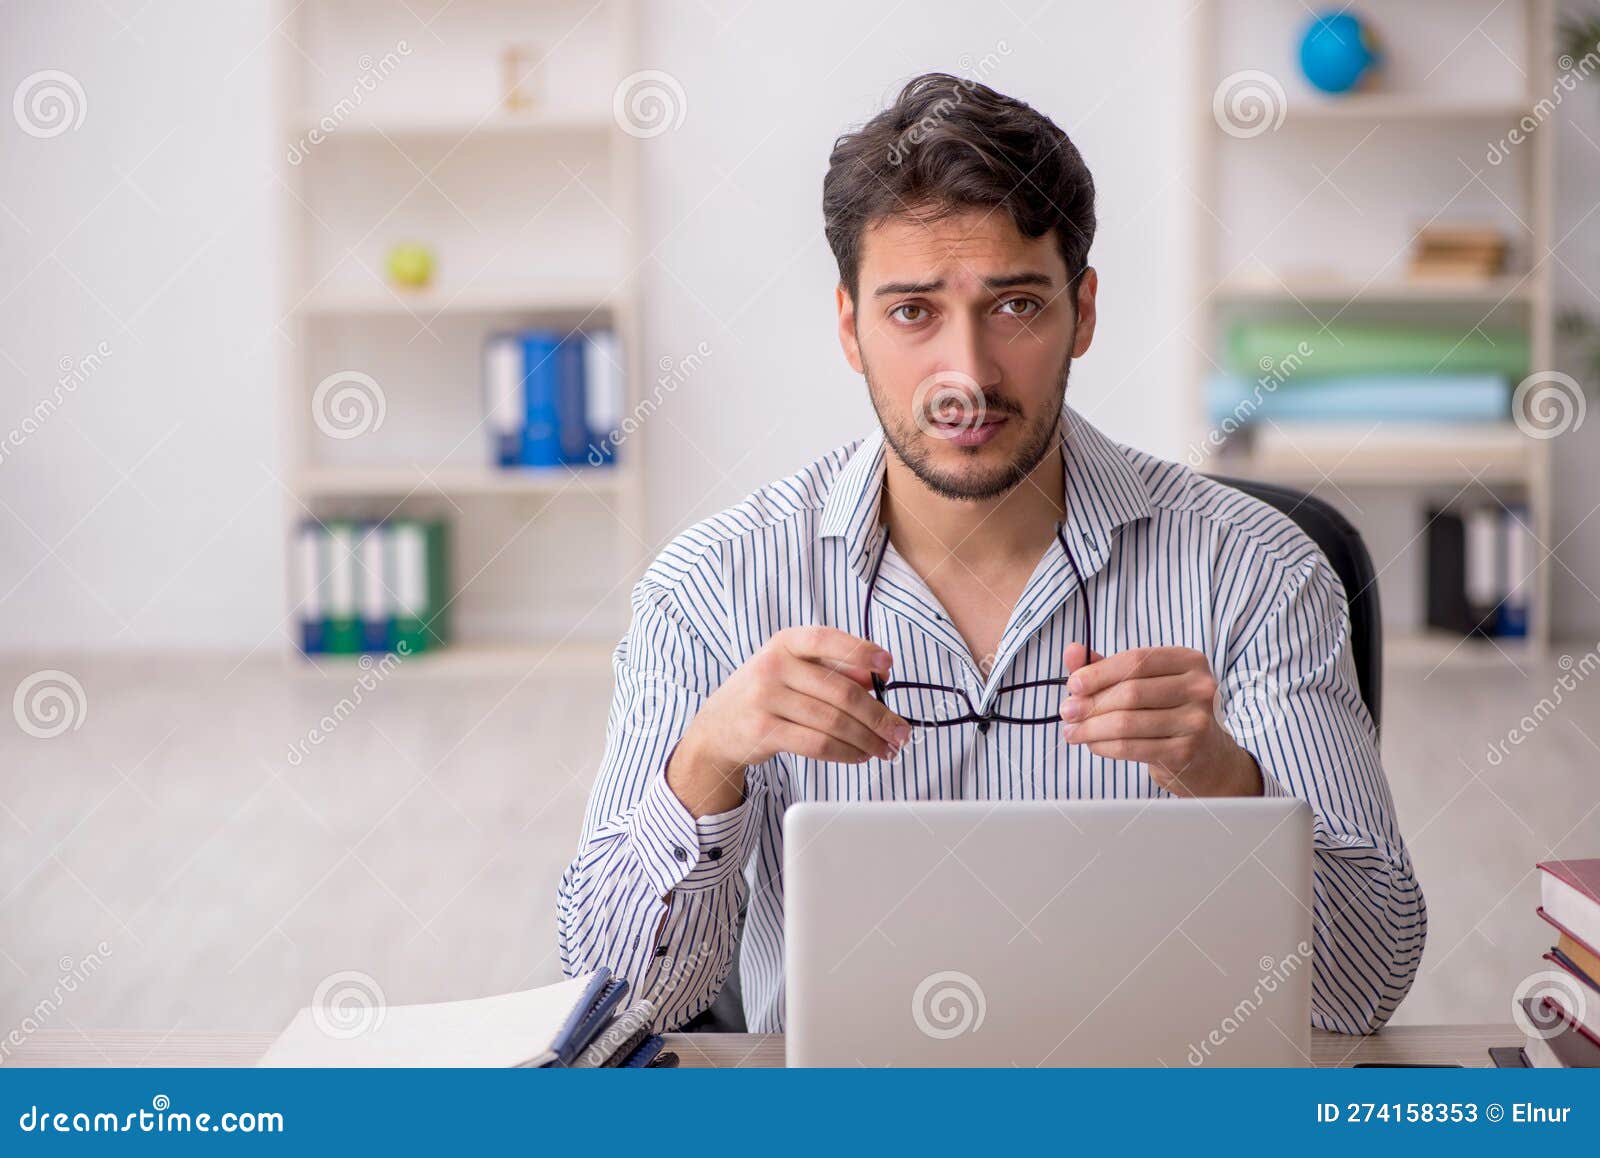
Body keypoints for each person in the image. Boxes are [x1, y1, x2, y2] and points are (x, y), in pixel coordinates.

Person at [558, 72, 1425, 1037]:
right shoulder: (709, 590)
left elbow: (1364, 987)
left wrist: (1229, 785)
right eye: (912, 312)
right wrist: (709, 761)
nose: (966, 375)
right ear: (850, 327)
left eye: (1014, 305)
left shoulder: (1258, 571)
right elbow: (613, 1014)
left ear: (1081, 313)